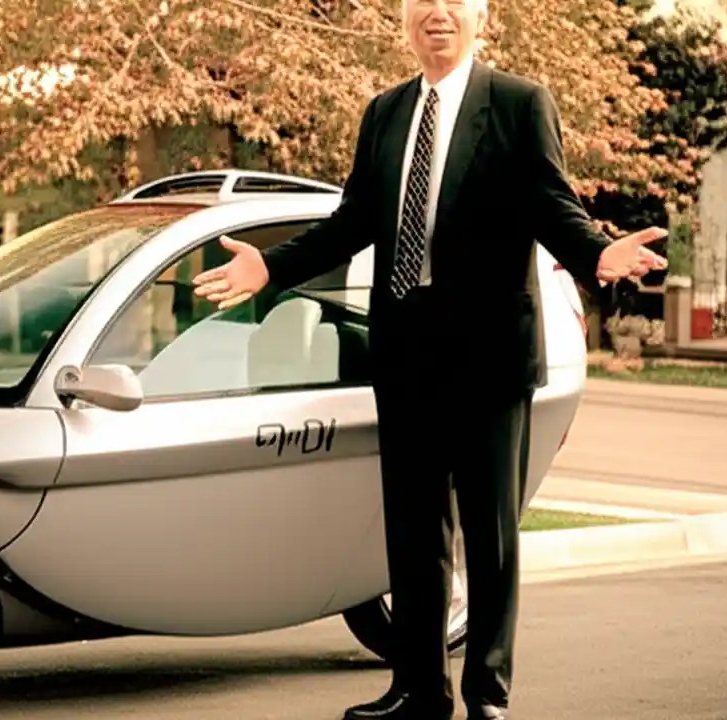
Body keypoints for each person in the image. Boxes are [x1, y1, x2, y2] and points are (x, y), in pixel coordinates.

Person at [192, 1, 667, 718]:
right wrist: (273, 269)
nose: (435, 14)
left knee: (490, 536)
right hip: (406, 353)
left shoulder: (516, 103)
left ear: (481, 18)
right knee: (412, 533)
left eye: (453, 2)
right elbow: (354, 221)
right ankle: (418, 689)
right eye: (421, 3)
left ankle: (486, 695)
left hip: (489, 357)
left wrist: (598, 251)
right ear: (405, 20)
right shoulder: (385, 112)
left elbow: (549, 203)